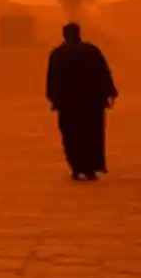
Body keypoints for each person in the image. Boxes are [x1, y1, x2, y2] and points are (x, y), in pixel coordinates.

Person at [45, 22, 118, 181]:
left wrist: (53, 98)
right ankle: (90, 166)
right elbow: (104, 73)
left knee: (71, 135)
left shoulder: (58, 54)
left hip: (68, 104)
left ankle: (77, 166)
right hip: (91, 103)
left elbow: (52, 80)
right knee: (91, 134)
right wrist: (110, 92)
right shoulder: (91, 51)